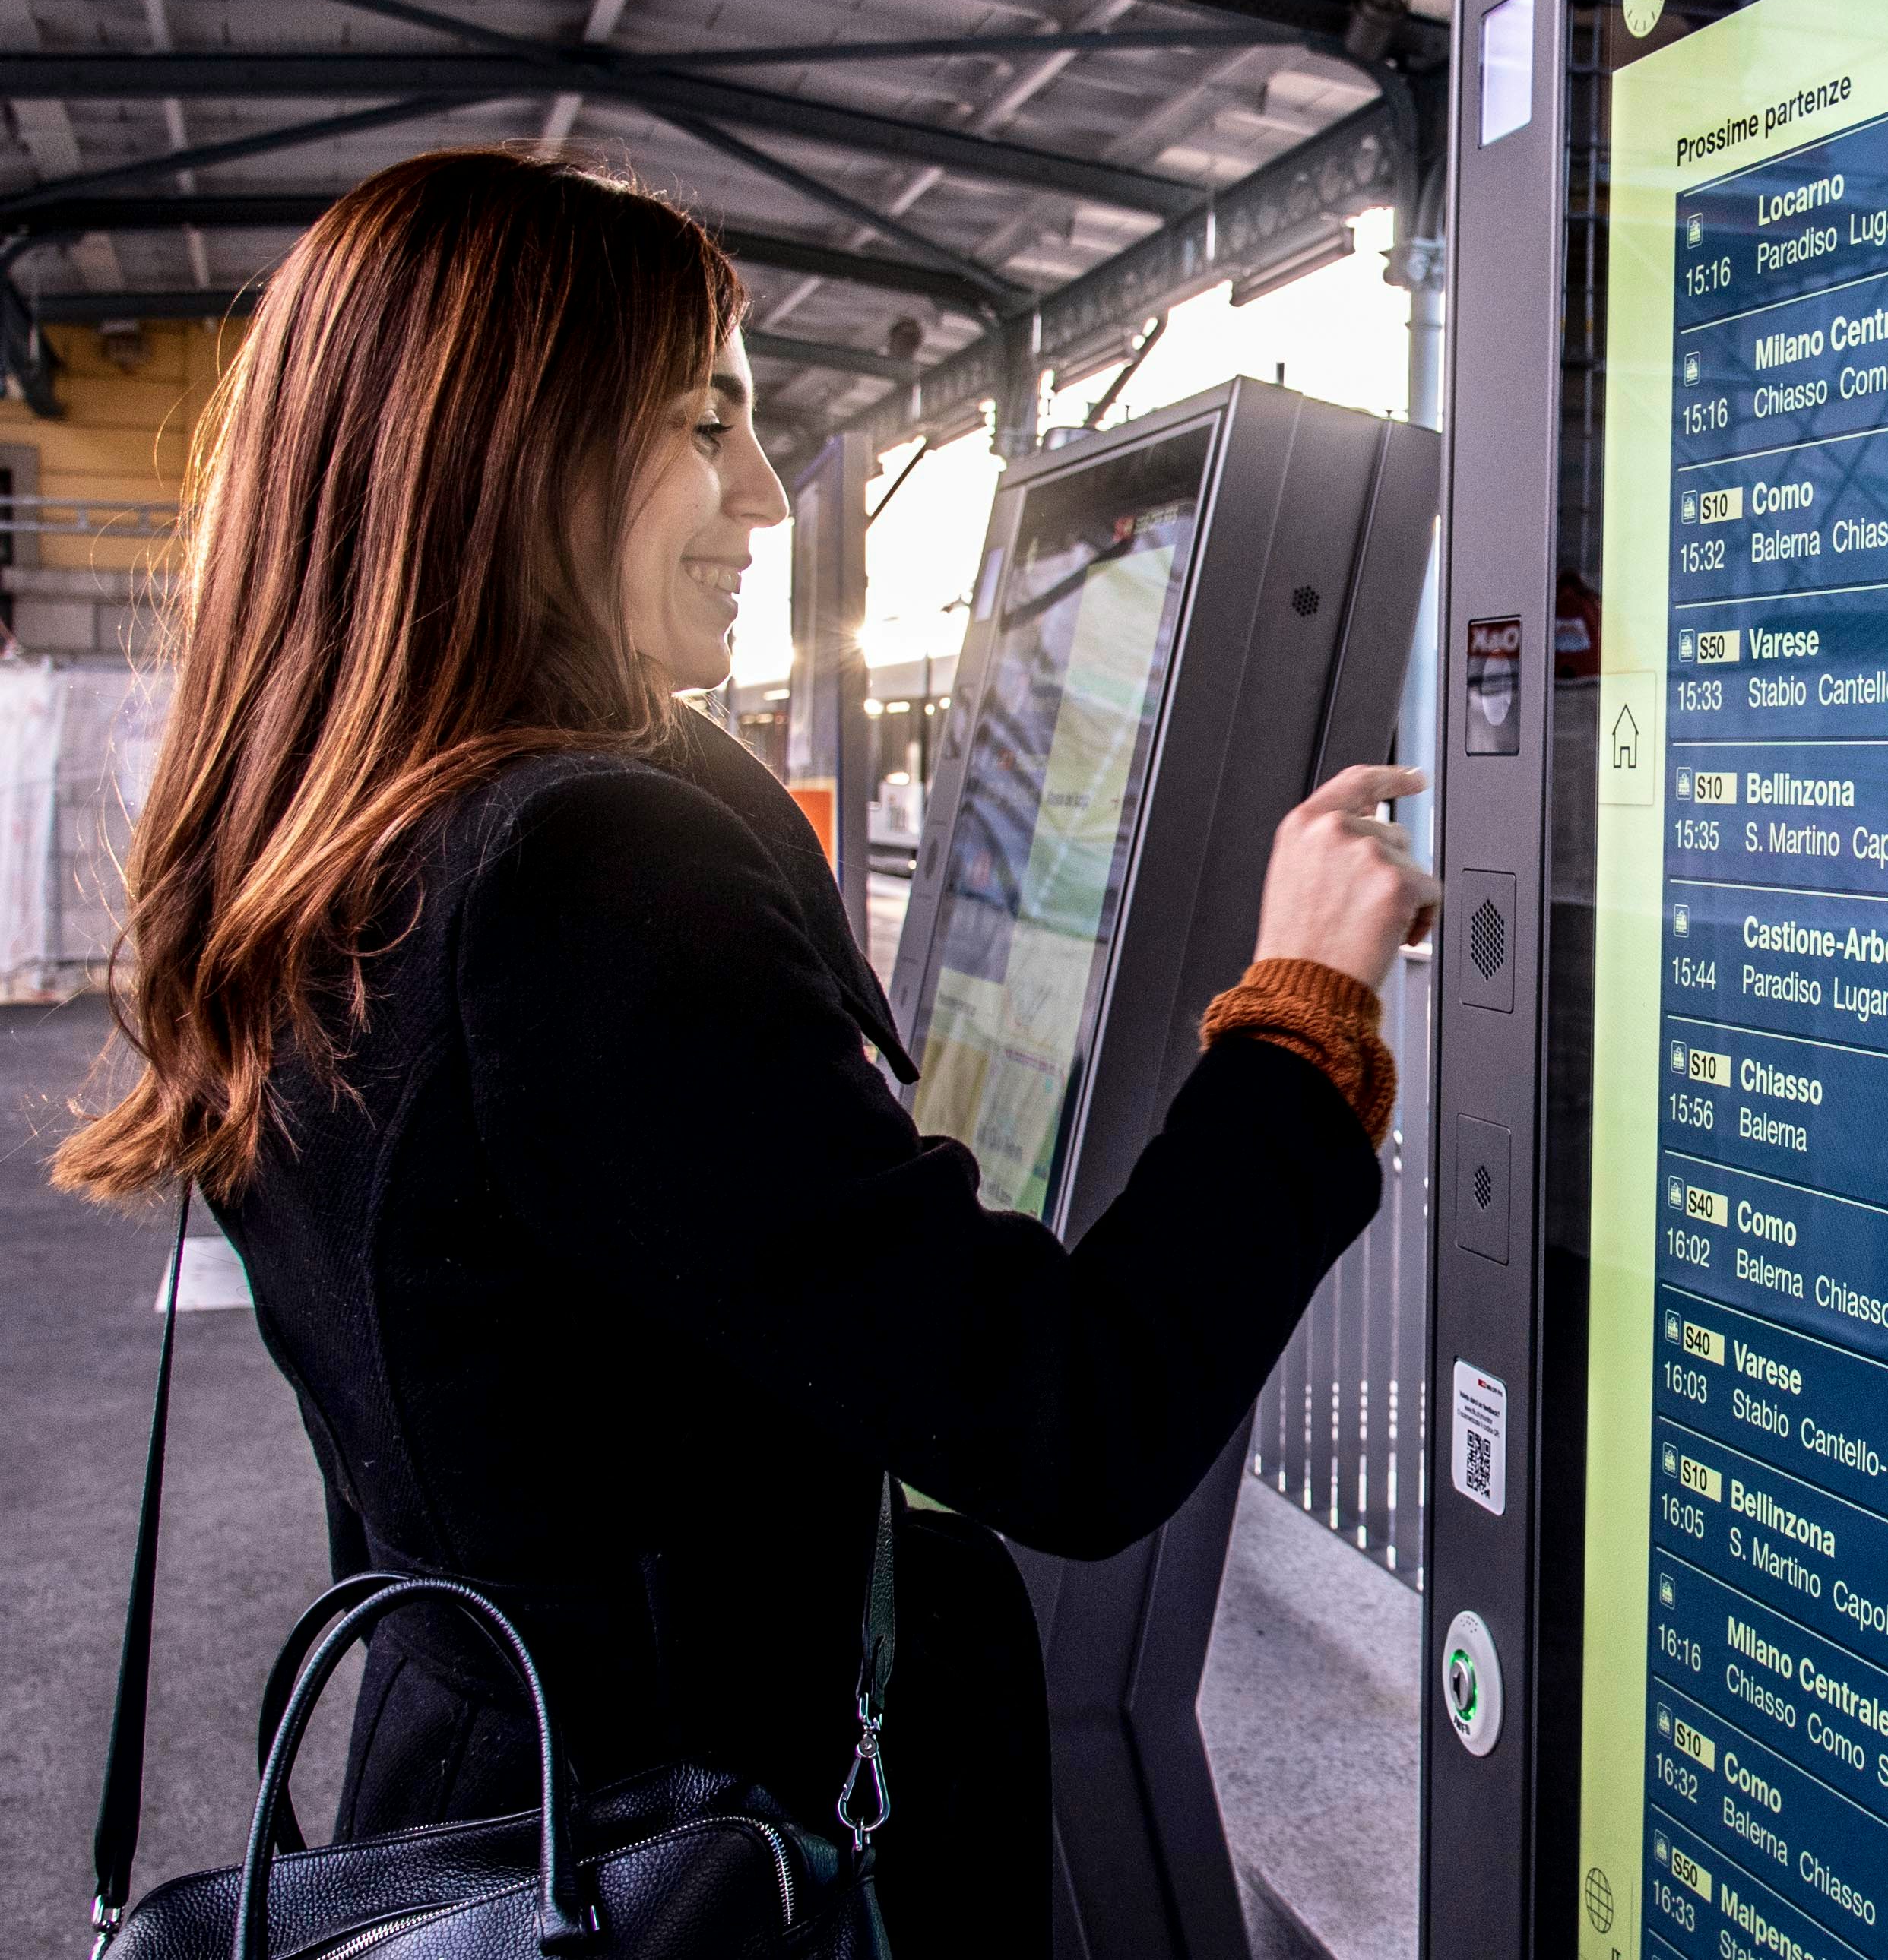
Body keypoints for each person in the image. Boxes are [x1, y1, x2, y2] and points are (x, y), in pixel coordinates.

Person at [52, 150, 1434, 1953]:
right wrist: (1302, 1018)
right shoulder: (578, 873)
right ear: (513, 446)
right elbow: (1071, 1423)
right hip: (710, 1858)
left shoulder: (326, 850)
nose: (769, 499)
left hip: (486, 1808)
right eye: (710, 421)